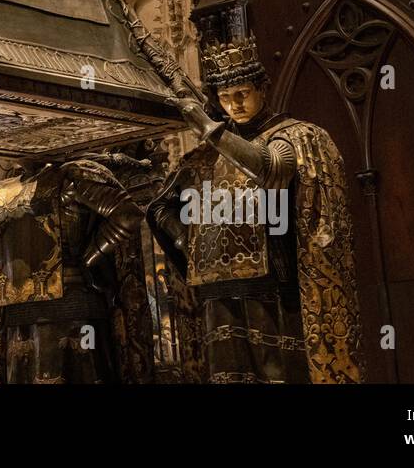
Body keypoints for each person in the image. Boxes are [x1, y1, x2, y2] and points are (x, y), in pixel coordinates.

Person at [150, 35, 364, 383]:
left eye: (242, 94)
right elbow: (161, 206)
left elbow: (271, 168)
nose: (234, 105)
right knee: (229, 374)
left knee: (278, 371)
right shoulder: (204, 157)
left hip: (274, 277)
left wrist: (208, 128)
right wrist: (186, 243)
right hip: (218, 285)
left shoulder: (295, 136)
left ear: (262, 89)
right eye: (224, 98)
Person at [0, 154, 151, 383]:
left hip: (72, 304)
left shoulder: (72, 175)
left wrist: (89, 259)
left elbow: (128, 215)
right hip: (19, 316)